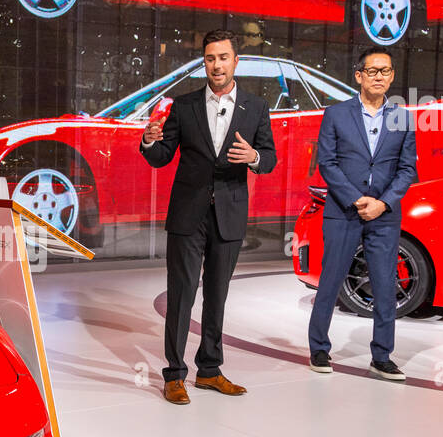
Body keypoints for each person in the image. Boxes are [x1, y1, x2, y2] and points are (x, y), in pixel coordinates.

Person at [141, 29, 277, 404]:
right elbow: (161, 156)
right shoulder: (183, 106)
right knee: (181, 295)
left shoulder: (256, 107)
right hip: (188, 214)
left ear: (236, 61)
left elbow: (269, 157)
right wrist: (150, 140)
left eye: (223, 57)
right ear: (204, 63)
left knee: (217, 297)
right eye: (210, 59)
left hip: (230, 215)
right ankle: (174, 374)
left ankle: (210, 370)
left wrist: (253, 158)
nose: (216, 65)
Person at [306, 49, 417, 380]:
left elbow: (407, 169)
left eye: (385, 71)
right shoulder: (337, 114)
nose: (379, 76)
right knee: (331, 280)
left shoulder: (402, 117)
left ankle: (382, 355)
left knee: (385, 285)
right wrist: (356, 199)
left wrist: (383, 203)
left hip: (384, 214)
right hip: (343, 211)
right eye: (373, 71)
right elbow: (327, 163)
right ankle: (319, 349)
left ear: (392, 76)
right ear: (359, 75)